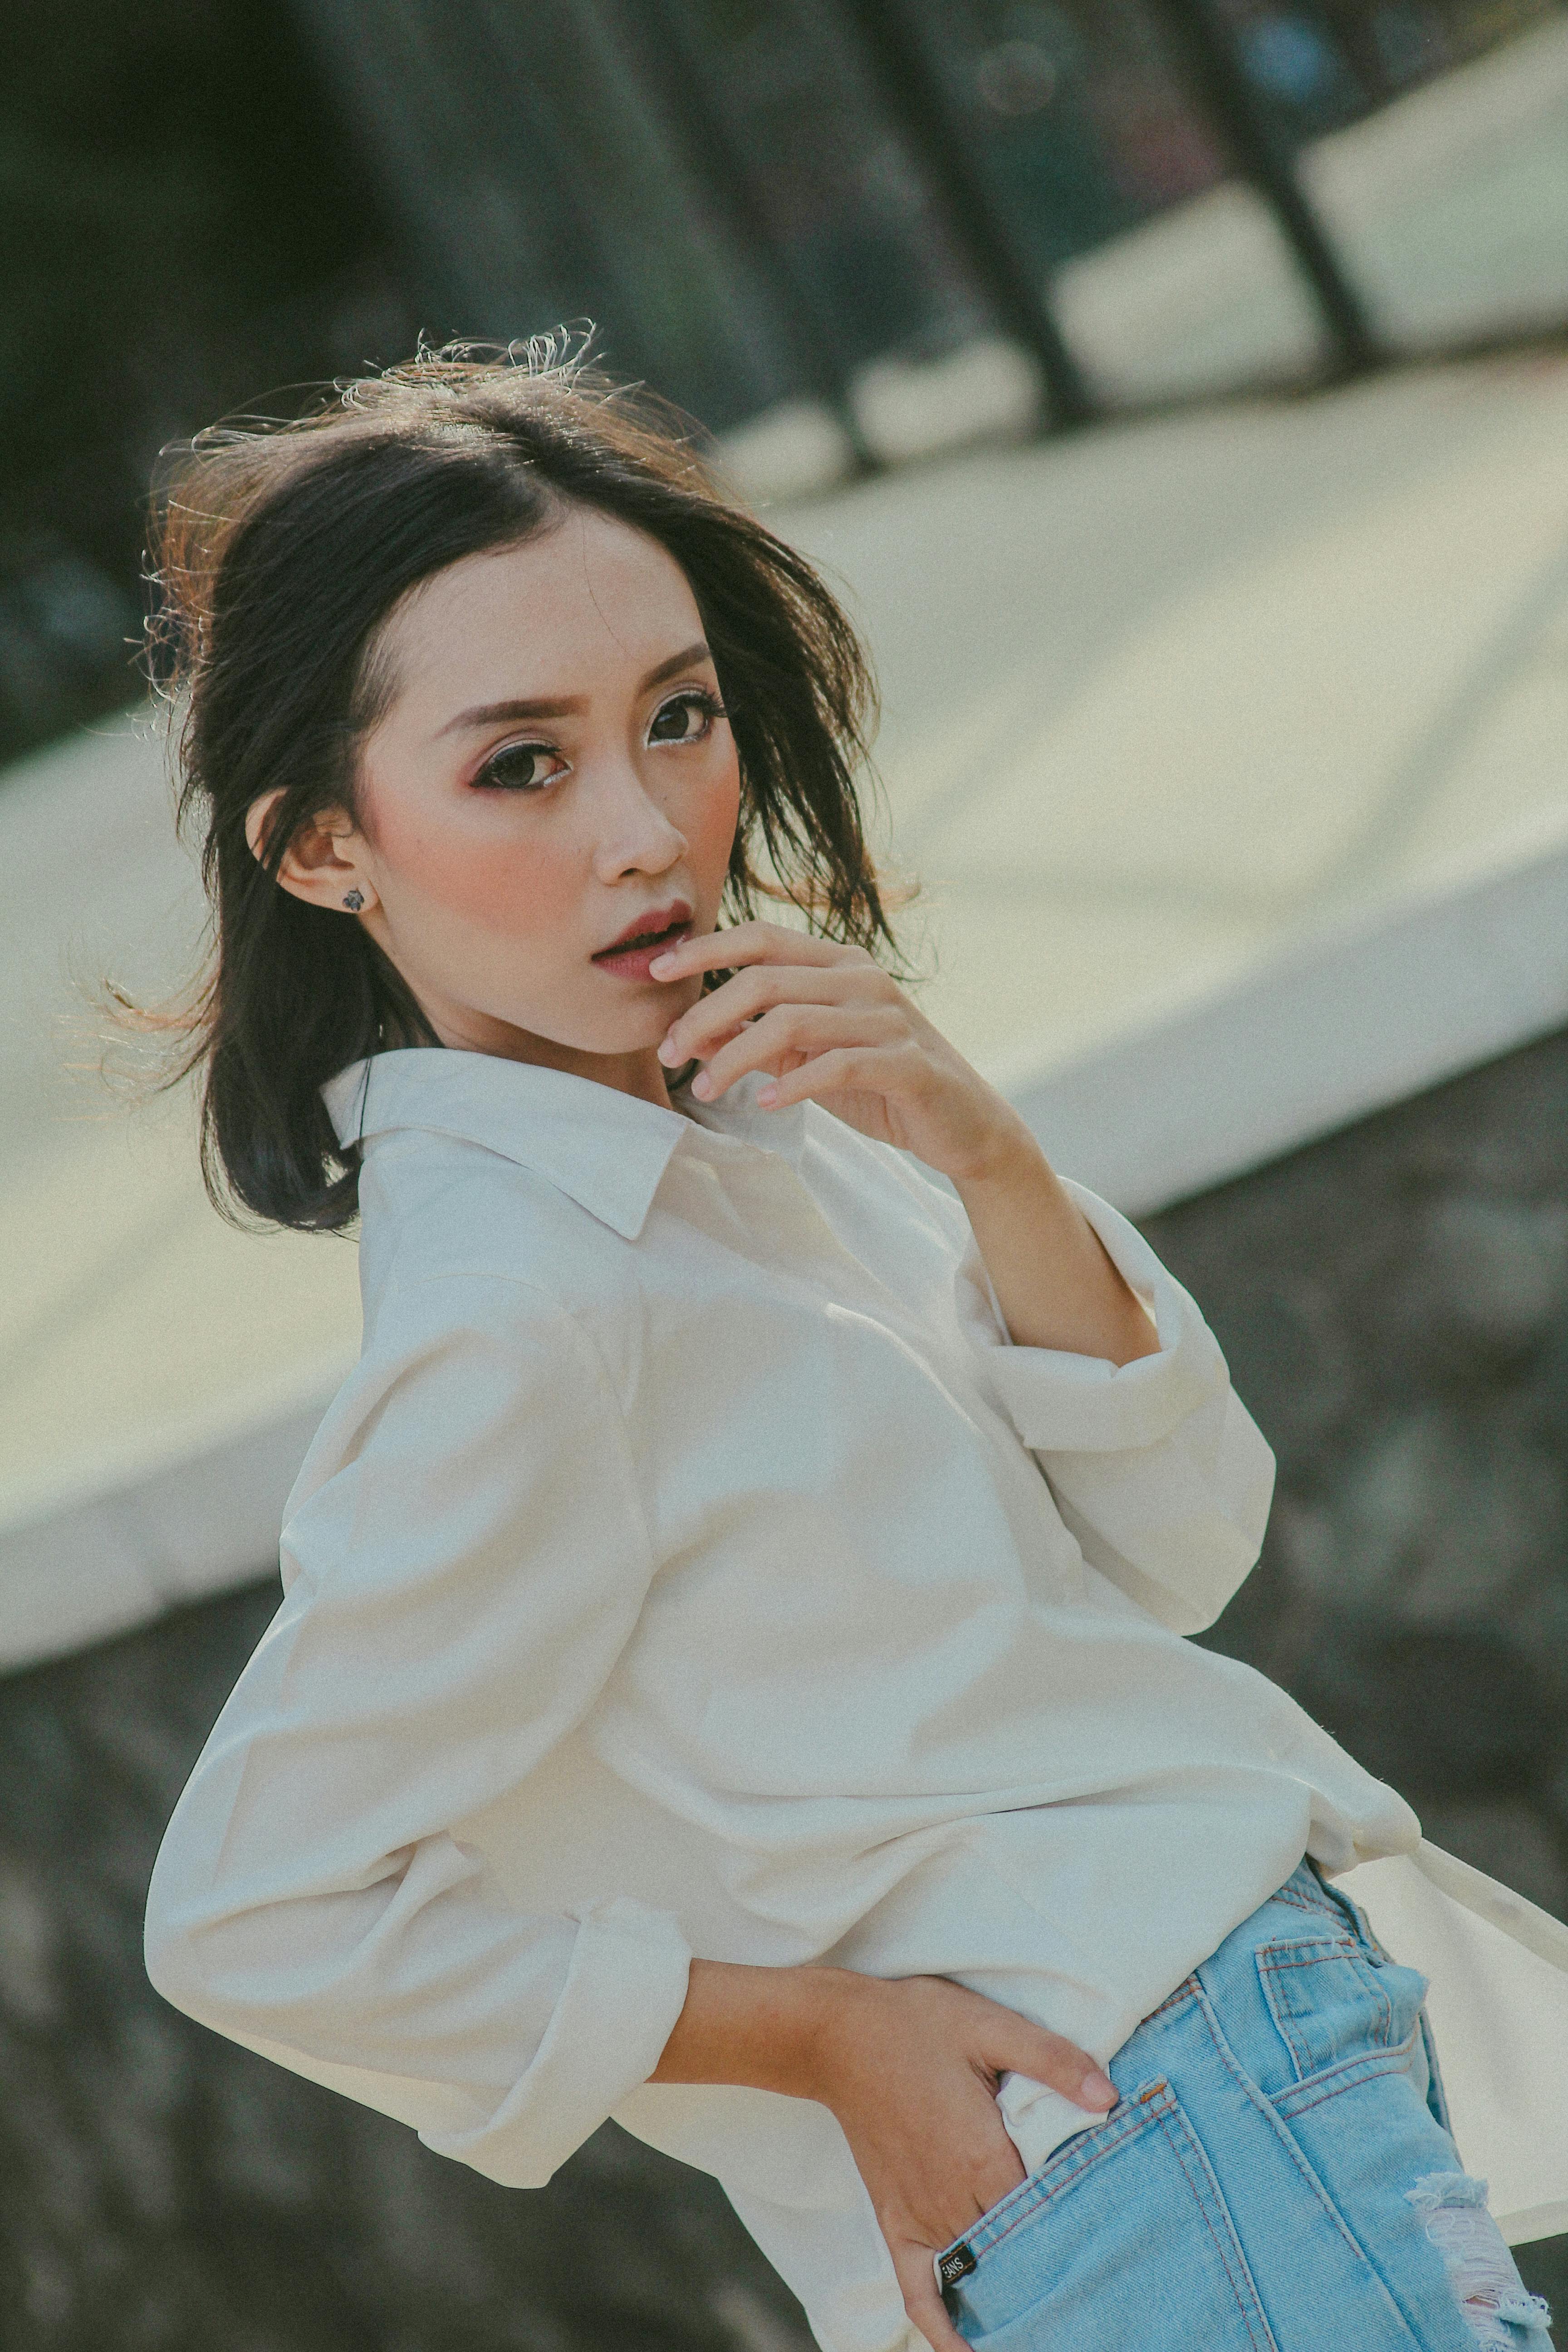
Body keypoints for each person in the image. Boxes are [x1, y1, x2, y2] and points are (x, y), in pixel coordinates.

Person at [142, 346, 1563, 2352]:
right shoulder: (529, 1309)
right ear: (320, 846)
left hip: (1211, 2084)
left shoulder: (763, 1135)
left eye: (681, 718)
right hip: (1137, 2113)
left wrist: (982, 1153)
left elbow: (1181, 1547)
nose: (646, 827)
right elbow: (251, 1914)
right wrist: (820, 2033)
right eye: (519, 764)